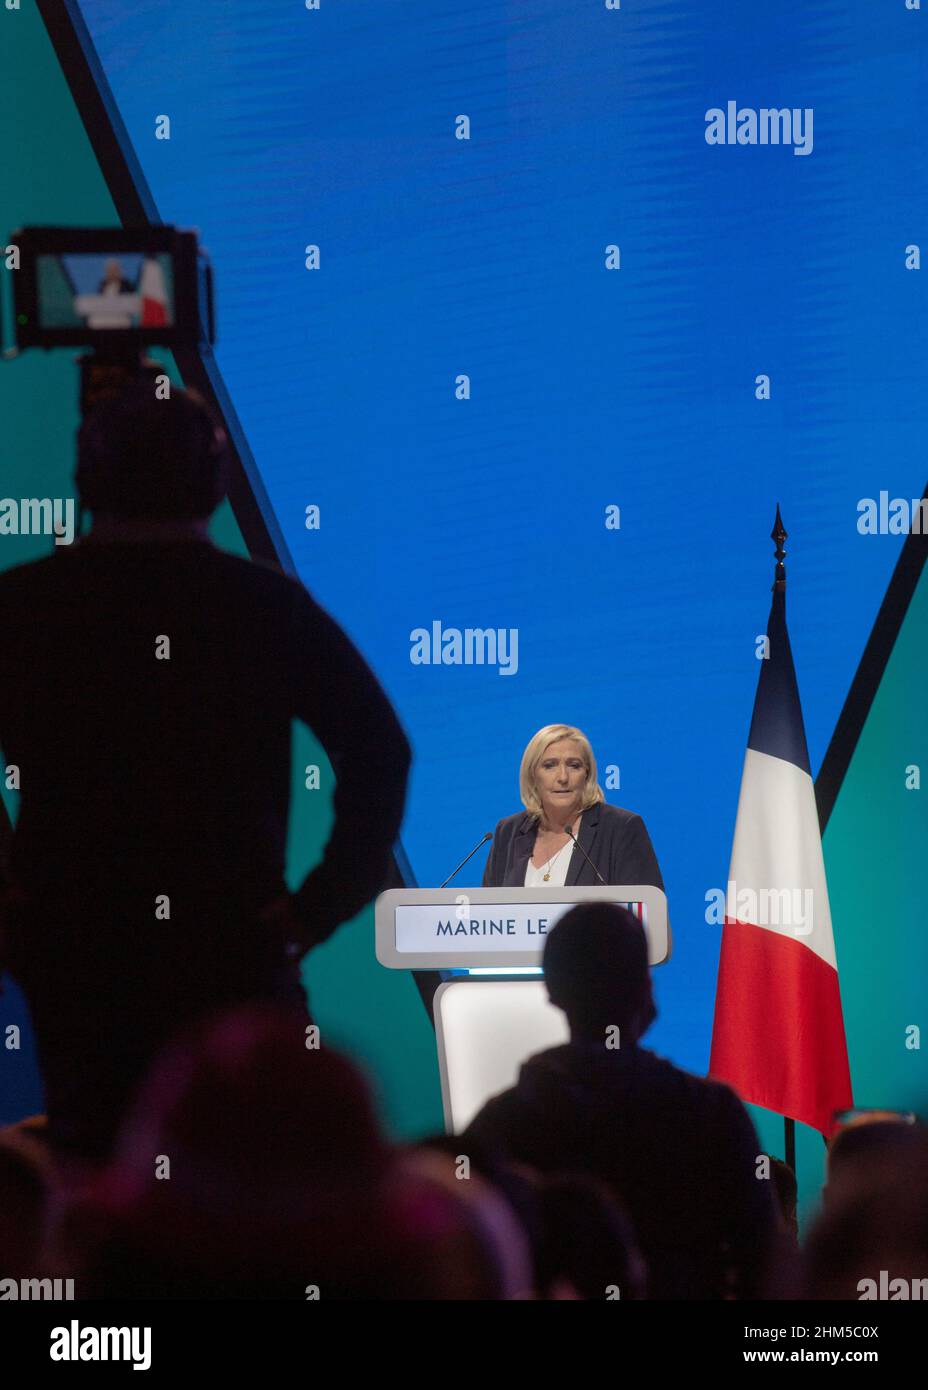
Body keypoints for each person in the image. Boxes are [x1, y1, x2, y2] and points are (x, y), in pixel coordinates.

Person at [0, 379, 411, 1158]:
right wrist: (313, 912)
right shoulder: (265, 605)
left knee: (98, 1184)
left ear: (86, 482)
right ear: (213, 484)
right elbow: (381, 754)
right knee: (260, 1184)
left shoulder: (23, 606)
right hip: (236, 954)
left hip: (76, 966)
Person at [462, 902, 778, 1298]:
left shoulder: (500, 1126)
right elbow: (767, 1269)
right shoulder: (712, 1115)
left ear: (553, 993)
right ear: (644, 988)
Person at [482, 724, 663, 889]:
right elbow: (489, 915)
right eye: (549, 765)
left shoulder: (620, 829)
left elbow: (647, 913)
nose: (563, 777)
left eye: (574, 766)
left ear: (587, 774)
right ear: (532, 775)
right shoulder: (508, 832)